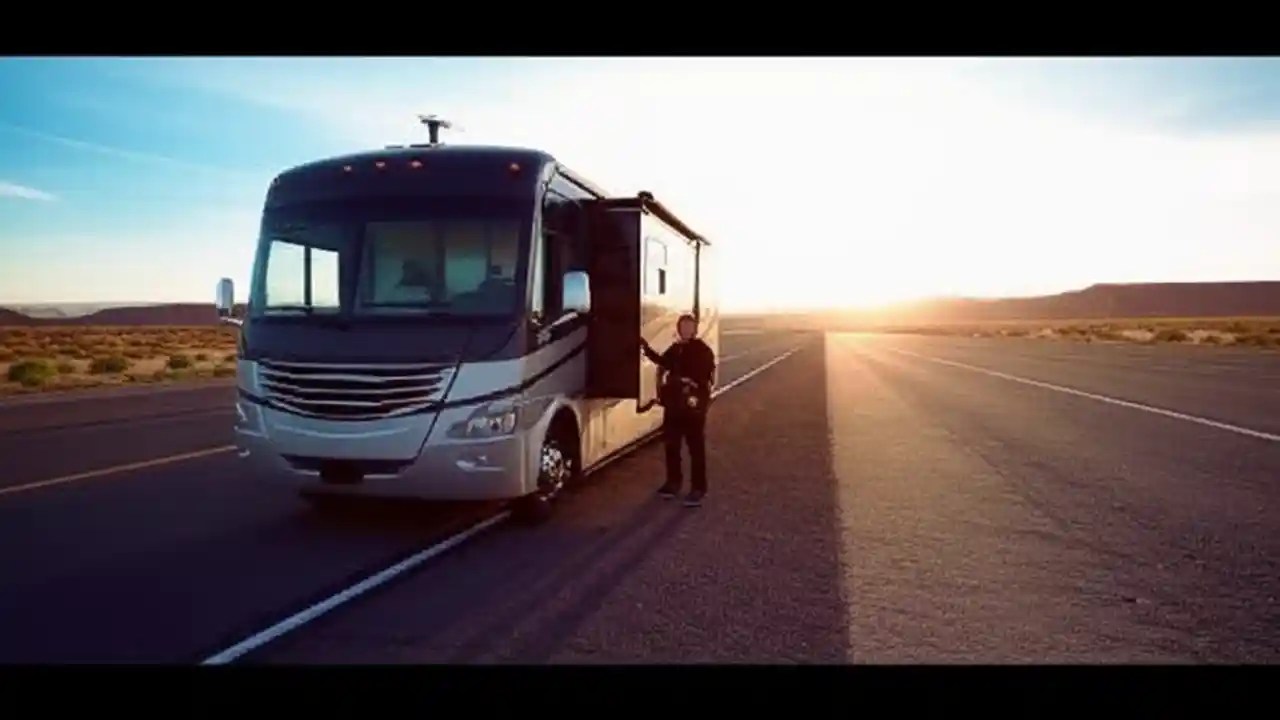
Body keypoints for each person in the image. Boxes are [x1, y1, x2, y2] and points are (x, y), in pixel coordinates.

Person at [640, 313, 717, 507]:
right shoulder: (675, 349)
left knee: (695, 448)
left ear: (695, 329)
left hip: (693, 407)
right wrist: (645, 348)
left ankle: (699, 488)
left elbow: (706, 376)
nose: (685, 330)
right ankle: (673, 483)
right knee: (671, 446)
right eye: (682, 326)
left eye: (689, 326)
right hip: (674, 405)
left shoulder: (703, 350)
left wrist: (688, 381)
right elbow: (663, 362)